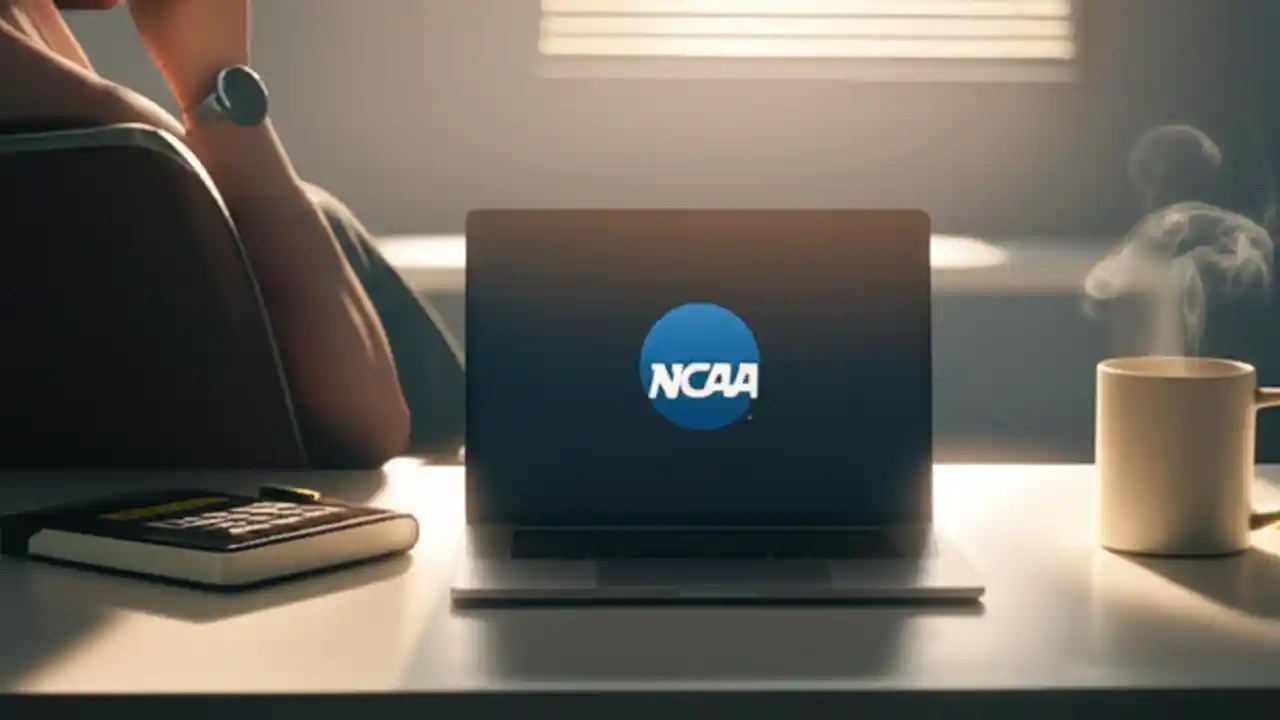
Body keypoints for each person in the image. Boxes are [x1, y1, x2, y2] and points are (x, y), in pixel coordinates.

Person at [0, 0, 464, 468]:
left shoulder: (27, 18)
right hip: (193, 486)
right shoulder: (114, 135)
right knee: (317, 220)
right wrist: (216, 85)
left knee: (321, 218)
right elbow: (364, 427)